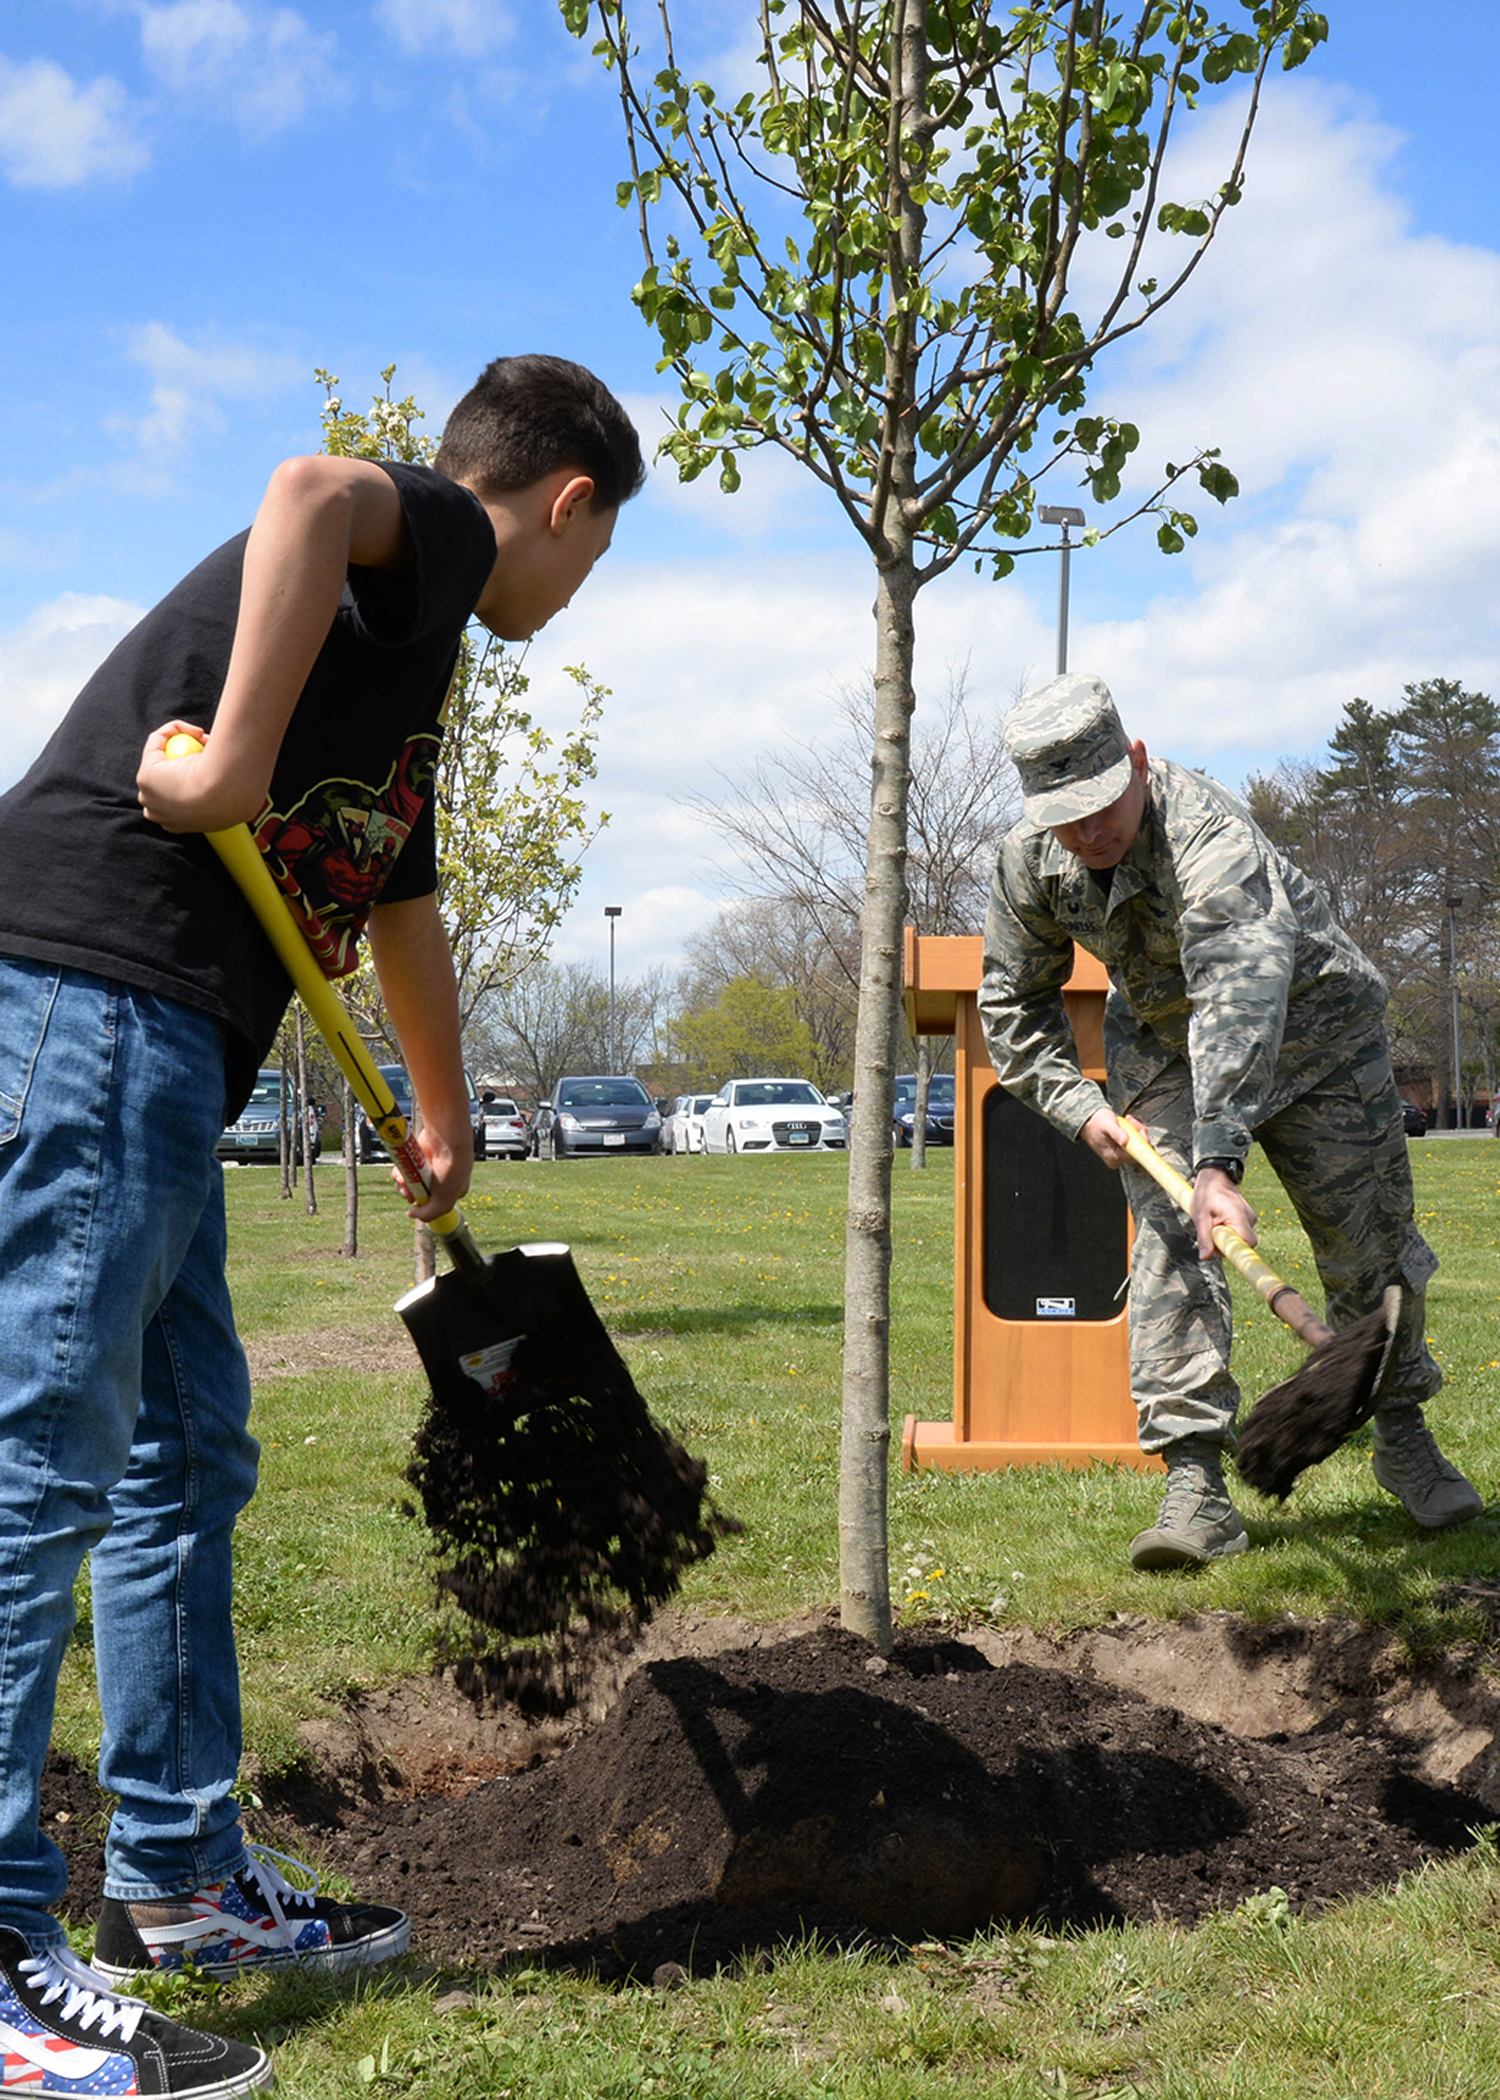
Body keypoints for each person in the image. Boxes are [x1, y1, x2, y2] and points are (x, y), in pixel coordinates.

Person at [0, 354, 642, 2096]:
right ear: (566, 503)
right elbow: (304, 491)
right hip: (91, 990)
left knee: (184, 1456)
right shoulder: (430, 532)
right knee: (48, 1458)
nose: (569, 598)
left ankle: (181, 1880)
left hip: (173, 1042)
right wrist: (237, 767)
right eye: (589, 564)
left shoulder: (408, 667)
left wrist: (438, 1108)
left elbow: (402, 891)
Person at [978, 672, 1481, 1573]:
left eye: (1103, 805)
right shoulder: (1029, 862)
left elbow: (1240, 1000)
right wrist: (1079, 1105)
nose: (1090, 833)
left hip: (1316, 1036)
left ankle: (1400, 1430)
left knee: (1372, 1247)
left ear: (1135, 762)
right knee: (1170, 1244)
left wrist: (1219, 1164)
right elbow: (1013, 1005)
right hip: (1169, 1051)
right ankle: (1197, 1485)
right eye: (1066, 816)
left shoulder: (1208, 832)